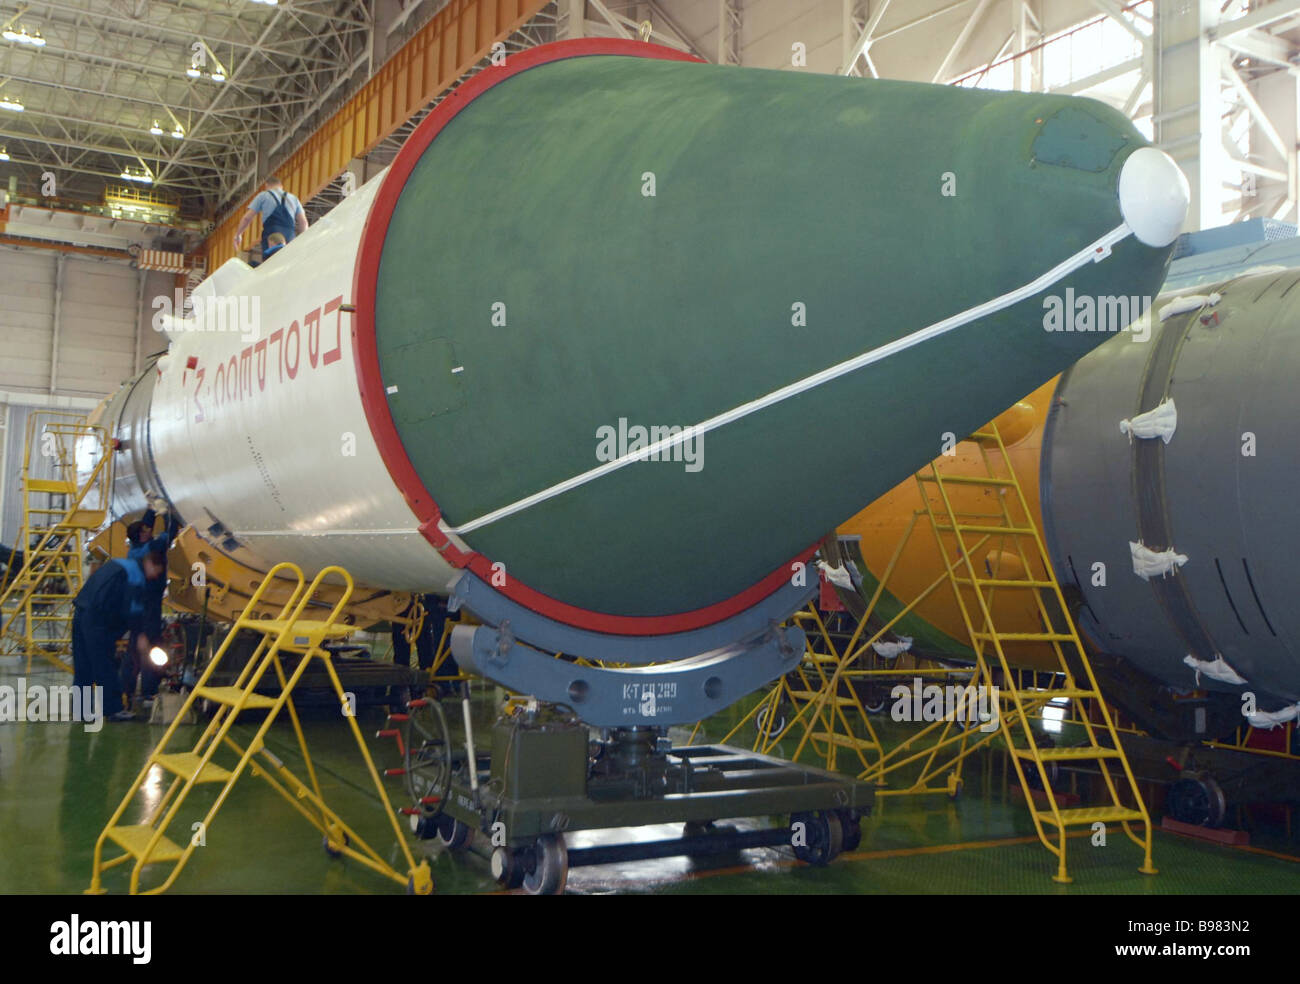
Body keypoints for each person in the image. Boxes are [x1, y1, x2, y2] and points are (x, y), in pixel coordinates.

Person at [72, 541, 168, 722]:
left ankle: (81, 711)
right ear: (151, 564)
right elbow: (133, 610)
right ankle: (114, 709)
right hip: (97, 620)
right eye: (156, 571)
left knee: (83, 666)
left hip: (80, 612)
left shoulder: (119, 563)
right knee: (105, 665)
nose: (155, 576)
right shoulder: (137, 576)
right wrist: (139, 635)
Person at [121, 495, 178, 707]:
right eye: (145, 531)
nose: (148, 531)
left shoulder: (134, 550)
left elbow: (145, 530)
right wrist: (168, 514)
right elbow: (170, 532)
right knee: (152, 650)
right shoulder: (151, 550)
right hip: (150, 608)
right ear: (142, 537)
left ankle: (127, 690)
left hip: (137, 607)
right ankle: (148, 693)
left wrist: (150, 510)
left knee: (133, 650)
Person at [232, 176, 308, 259]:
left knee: (270, 264)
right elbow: (303, 223)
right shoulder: (294, 198)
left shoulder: (263, 196)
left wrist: (238, 234)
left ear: (266, 185)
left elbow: (247, 218)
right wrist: (303, 241)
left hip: (271, 235)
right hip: (290, 236)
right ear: (281, 186)